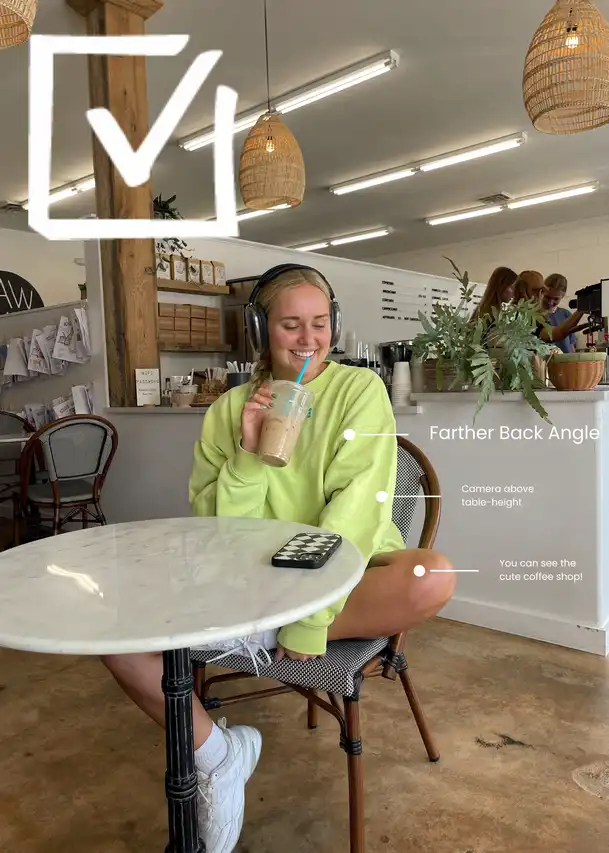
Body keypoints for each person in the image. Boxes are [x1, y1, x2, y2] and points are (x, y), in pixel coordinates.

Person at [101, 263, 455, 853]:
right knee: (112, 632)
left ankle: (253, 631)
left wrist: (309, 616)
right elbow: (223, 532)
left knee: (430, 575)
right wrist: (248, 454)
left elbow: (357, 510)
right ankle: (218, 755)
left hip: (345, 577)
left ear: (334, 324)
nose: (308, 338)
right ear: (260, 331)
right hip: (251, 577)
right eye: (291, 325)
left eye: (319, 323)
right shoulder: (227, 409)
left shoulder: (359, 391)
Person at [512, 270, 584, 345]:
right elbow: (557, 334)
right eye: (538, 290)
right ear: (523, 292)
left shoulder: (536, 314)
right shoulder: (522, 316)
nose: (542, 294)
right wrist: (582, 308)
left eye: (543, 290)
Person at [543, 273, 576, 353]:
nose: (550, 302)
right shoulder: (534, 315)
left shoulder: (566, 315)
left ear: (563, 296)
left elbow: (571, 345)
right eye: (547, 297)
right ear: (542, 292)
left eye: (556, 299)